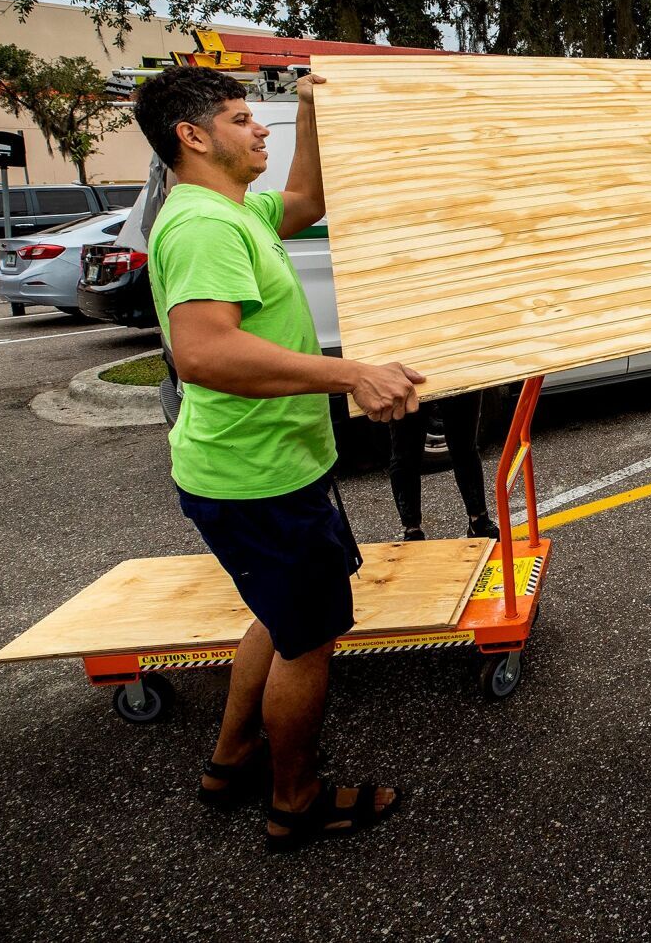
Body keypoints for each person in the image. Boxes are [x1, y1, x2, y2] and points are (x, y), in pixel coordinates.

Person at [136, 64, 424, 850]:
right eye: (240, 118)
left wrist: (308, 109)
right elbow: (202, 353)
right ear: (191, 137)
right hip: (255, 478)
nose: (259, 128)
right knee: (308, 639)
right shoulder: (204, 227)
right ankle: (294, 800)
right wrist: (351, 372)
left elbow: (307, 202)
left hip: (273, 468)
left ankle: (230, 762)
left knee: (275, 616)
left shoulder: (234, 208)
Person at [388, 391, 500, 541]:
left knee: (465, 448)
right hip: (405, 376)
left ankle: (478, 521)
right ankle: (412, 530)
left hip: (457, 373)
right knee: (405, 455)